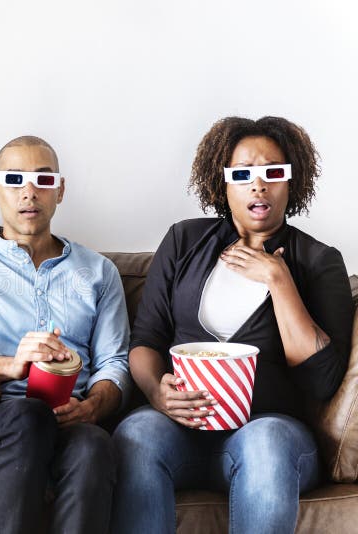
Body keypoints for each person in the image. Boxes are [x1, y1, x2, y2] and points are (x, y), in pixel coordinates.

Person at [111, 116, 354, 533]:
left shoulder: (318, 261)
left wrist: (279, 281)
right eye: (242, 175)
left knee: (267, 442)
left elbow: (322, 382)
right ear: (221, 184)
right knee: (136, 434)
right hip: (180, 431)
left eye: (272, 173)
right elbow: (147, 338)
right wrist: (156, 393)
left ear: (291, 181)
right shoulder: (184, 241)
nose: (258, 186)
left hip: (271, 431)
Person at [0, 136, 131, 534]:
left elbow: (114, 362)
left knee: (94, 444)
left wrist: (92, 407)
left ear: (60, 190)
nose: (30, 192)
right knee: (27, 415)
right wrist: (11, 365)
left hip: (71, 414)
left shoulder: (99, 271)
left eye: (44, 180)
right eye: (14, 179)